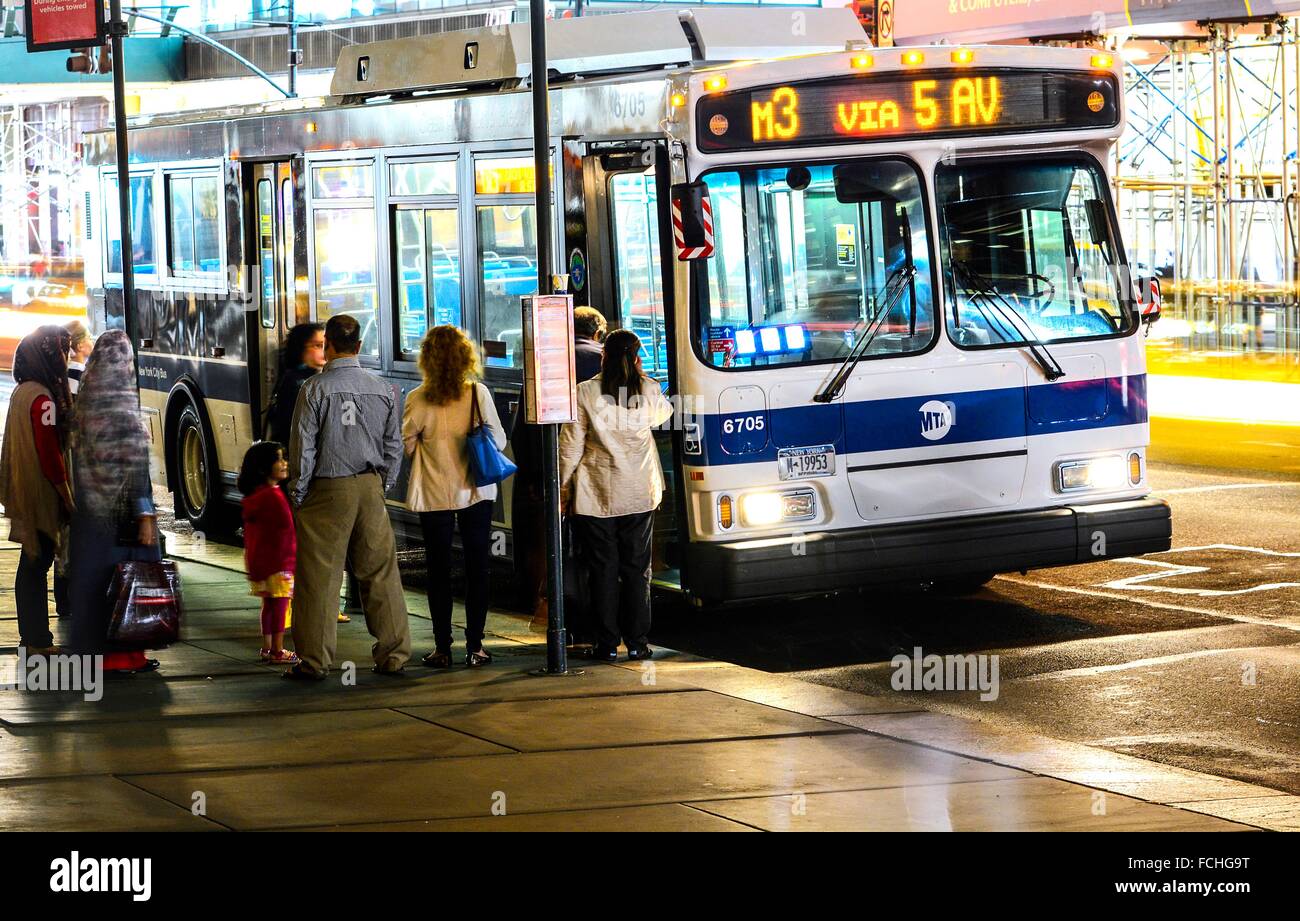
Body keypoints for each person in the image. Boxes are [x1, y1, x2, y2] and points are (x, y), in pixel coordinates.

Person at [285, 314, 411, 680]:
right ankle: (394, 655)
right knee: (380, 573)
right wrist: (380, 486)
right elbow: (394, 448)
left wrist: (299, 493)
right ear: (359, 347)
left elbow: (303, 449)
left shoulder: (313, 390)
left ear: (328, 347)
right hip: (370, 487)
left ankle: (313, 662)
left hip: (327, 489)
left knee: (319, 579)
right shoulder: (382, 389)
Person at [560, 329, 672, 662]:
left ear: (603, 356)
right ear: (636, 358)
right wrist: (640, 376)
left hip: (596, 495)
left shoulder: (584, 392)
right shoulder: (648, 390)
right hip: (638, 493)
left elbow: (570, 447)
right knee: (637, 569)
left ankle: (607, 643)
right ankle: (637, 642)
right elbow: (663, 416)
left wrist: (562, 486)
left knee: (602, 569)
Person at [402, 325, 506, 668]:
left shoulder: (417, 398)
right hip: (475, 491)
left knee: (438, 569)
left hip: (434, 493)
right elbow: (500, 442)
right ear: (465, 357)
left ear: (427, 360)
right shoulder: (478, 394)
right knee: (477, 567)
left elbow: (406, 445)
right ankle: (476, 646)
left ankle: (442, 648)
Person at [66, 329, 161, 675]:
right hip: (121, 516)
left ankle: (95, 656)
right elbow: (133, 465)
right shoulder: (121, 405)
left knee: (93, 584)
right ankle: (124, 655)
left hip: (90, 513)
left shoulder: (84, 403)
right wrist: (145, 513)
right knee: (125, 582)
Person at [509, 305, 607, 633]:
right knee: (593, 546)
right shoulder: (605, 362)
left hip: (553, 471)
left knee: (554, 542)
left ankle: (551, 609)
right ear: (597, 333)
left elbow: (523, 426)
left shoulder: (545, 362)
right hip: (596, 473)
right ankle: (599, 619)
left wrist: (535, 476)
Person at [267, 321, 356, 623]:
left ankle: (324, 604)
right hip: (303, 475)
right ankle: (300, 606)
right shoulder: (298, 383)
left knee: (322, 545)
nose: (322, 351)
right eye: (316, 346)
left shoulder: (318, 380)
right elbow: (299, 435)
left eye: (324, 344)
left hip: (315, 474)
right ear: (301, 351)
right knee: (306, 545)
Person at [0, 326, 74, 656]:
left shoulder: (23, 391)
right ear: (46, 356)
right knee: (35, 561)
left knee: (32, 560)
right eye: (61, 350)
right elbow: (49, 454)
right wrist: (67, 496)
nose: (66, 357)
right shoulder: (42, 399)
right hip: (40, 490)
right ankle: (36, 640)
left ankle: (32, 638)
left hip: (24, 485)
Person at [239, 441, 298, 665]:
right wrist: (293, 561)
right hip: (280, 562)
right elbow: (286, 531)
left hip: (260, 563)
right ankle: (278, 650)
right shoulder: (275, 497)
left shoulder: (257, 496)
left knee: (268, 606)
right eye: (279, 459)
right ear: (264, 468)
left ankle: (266, 646)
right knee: (281, 607)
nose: (285, 463)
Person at [65, 320, 92, 395]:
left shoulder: (65, 371)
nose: (92, 341)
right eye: (89, 338)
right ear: (80, 346)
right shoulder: (81, 374)